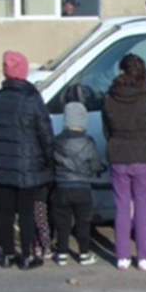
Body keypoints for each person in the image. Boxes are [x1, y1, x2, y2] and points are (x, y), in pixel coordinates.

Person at [0, 51, 55, 270]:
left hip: (2, 163)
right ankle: (27, 255)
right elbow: (45, 133)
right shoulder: (31, 99)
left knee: (5, 211)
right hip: (29, 164)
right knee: (26, 212)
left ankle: (8, 255)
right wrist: (49, 160)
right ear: (23, 71)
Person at [102, 53, 146, 272]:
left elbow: (107, 130)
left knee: (122, 207)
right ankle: (144, 256)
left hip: (118, 153)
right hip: (143, 153)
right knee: (143, 207)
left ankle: (122, 256)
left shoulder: (109, 98)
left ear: (121, 70)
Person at [52, 101, 103, 267]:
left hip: (61, 187)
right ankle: (84, 254)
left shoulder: (57, 141)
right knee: (83, 223)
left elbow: (50, 162)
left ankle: (61, 253)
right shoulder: (88, 142)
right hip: (82, 187)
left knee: (63, 223)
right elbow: (96, 166)